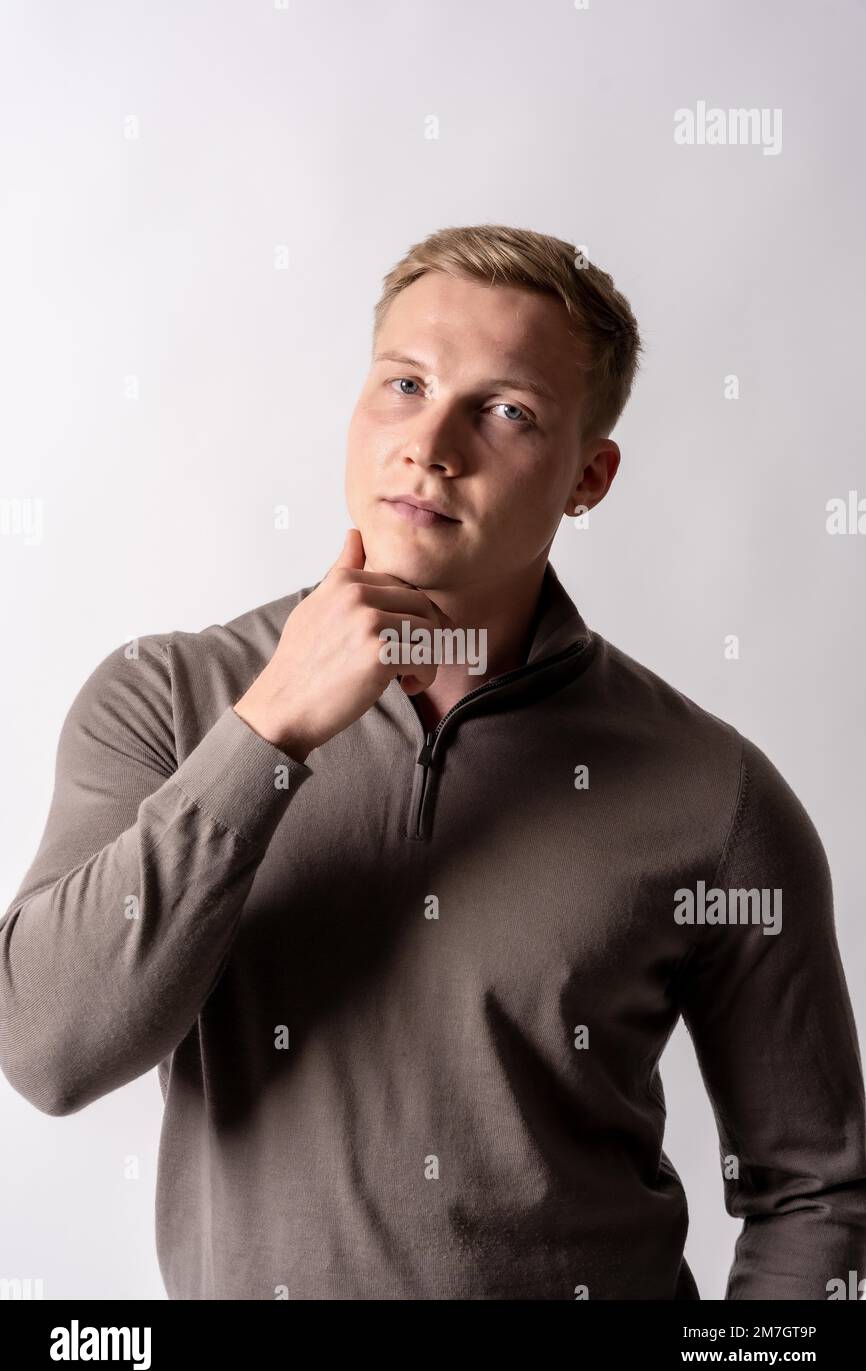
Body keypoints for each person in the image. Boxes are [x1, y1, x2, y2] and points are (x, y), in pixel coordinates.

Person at [2, 224, 864, 1300]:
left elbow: (816, 1194)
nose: (431, 445)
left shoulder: (715, 794)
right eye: (404, 384)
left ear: (588, 476)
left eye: (507, 411)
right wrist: (268, 731)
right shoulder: (166, 700)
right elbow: (46, 1051)